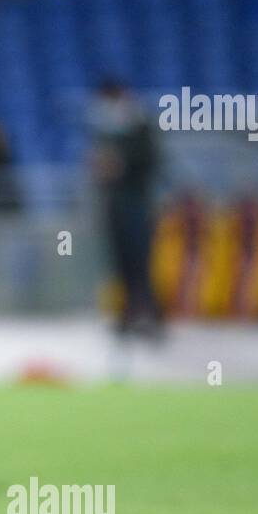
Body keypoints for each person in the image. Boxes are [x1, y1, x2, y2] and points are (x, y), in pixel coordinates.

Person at [88, 79, 163, 339]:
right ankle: (127, 315)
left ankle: (150, 317)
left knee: (140, 264)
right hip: (114, 208)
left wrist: (122, 165)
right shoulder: (106, 132)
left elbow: (152, 162)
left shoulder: (140, 127)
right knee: (120, 266)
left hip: (136, 207)